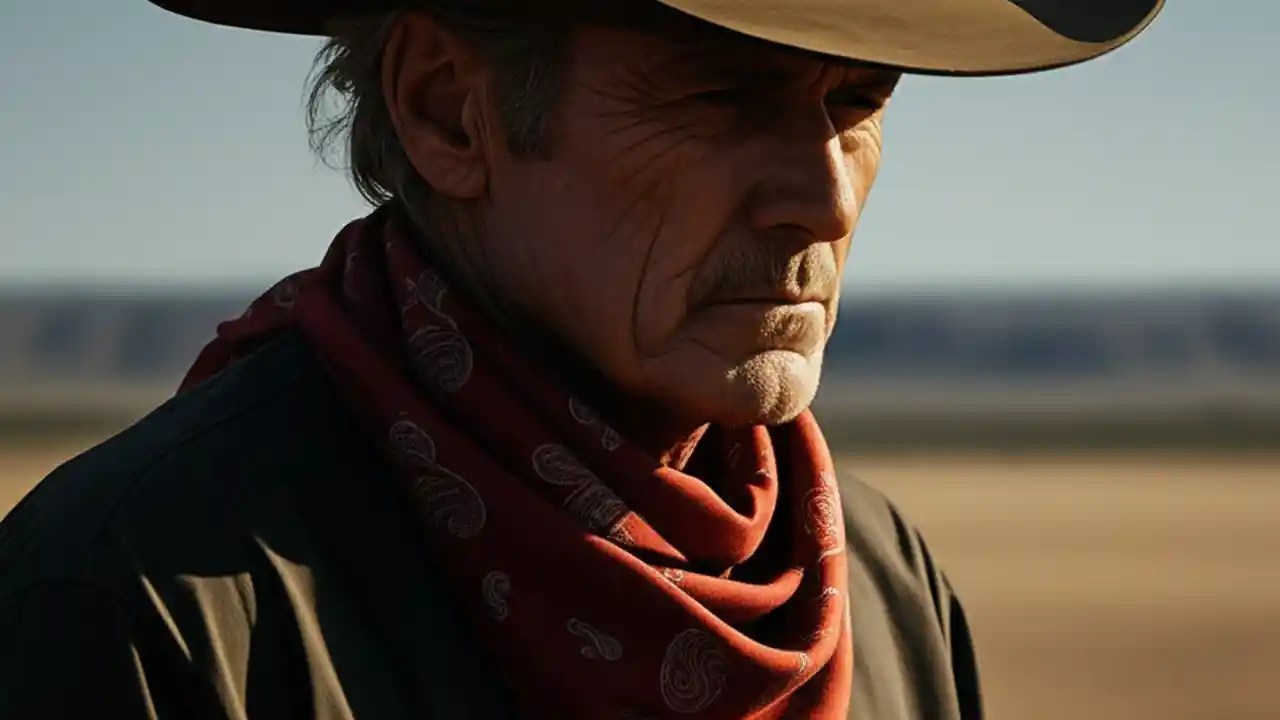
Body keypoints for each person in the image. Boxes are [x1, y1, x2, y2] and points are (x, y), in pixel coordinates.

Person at [0, 1, 1162, 717]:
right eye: (719, 96)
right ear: (450, 112)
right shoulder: (137, 601)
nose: (823, 198)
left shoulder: (884, 588)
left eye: (856, 103)